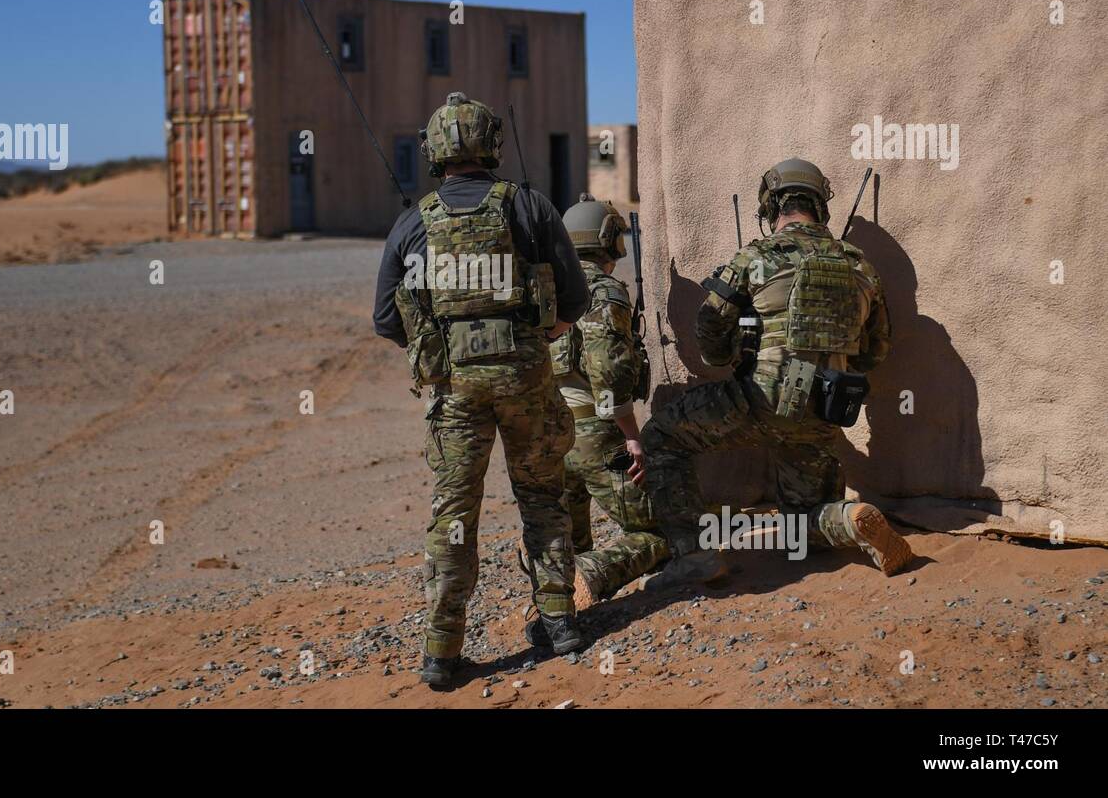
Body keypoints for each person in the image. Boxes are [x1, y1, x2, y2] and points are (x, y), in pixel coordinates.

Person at [373, 92, 591, 688]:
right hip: (527, 381)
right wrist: (533, 338)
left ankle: (442, 652)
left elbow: (387, 322)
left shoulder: (412, 222)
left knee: (454, 516)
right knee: (543, 497)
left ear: (436, 151)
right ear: (490, 145)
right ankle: (561, 621)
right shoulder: (531, 207)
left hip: (454, 394)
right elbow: (575, 300)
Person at [640, 158, 911, 586]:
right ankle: (850, 518)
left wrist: (730, 354)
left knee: (660, 436)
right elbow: (874, 352)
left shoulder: (756, 257)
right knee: (801, 522)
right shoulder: (862, 267)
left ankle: (693, 555)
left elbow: (710, 327)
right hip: (824, 412)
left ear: (772, 206)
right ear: (820, 204)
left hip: (756, 404)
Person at [528, 194, 667, 644]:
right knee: (658, 533)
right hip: (592, 432)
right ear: (608, 242)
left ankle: (557, 594)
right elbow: (608, 373)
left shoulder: (544, 289)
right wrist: (631, 435)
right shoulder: (602, 292)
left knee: (567, 531)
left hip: (545, 434)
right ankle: (588, 574)